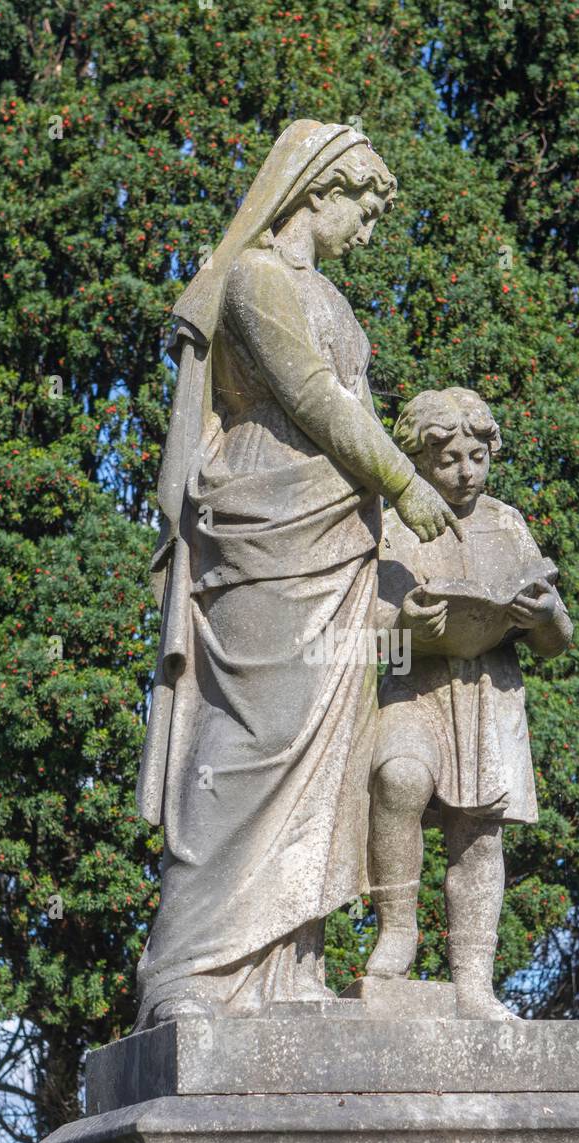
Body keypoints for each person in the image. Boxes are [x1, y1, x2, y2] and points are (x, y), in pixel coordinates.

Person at [133, 121, 460, 1028]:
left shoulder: (341, 304)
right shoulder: (253, 280)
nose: (367, 229)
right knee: (249, 740)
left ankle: (283, 968)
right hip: (265, 526)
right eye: (363, 208)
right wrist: (403, 479)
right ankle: (190, 973)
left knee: (328, 756)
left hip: (337, 538)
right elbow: (311, 397)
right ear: (319, 190)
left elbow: (346, 404)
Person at [367, 387, 573, 1018]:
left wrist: (543, 615)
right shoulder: (393, 524)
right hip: (414, 686)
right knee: (398, 779)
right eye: (449, 460)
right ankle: (396, 933)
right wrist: (408, 629)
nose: (465, 472)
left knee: (479, 837)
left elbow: (558, 641)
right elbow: (365, 632)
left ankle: (474, 982)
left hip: (489, 690)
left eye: (476, 458)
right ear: (419, 461)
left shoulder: (508, 523)